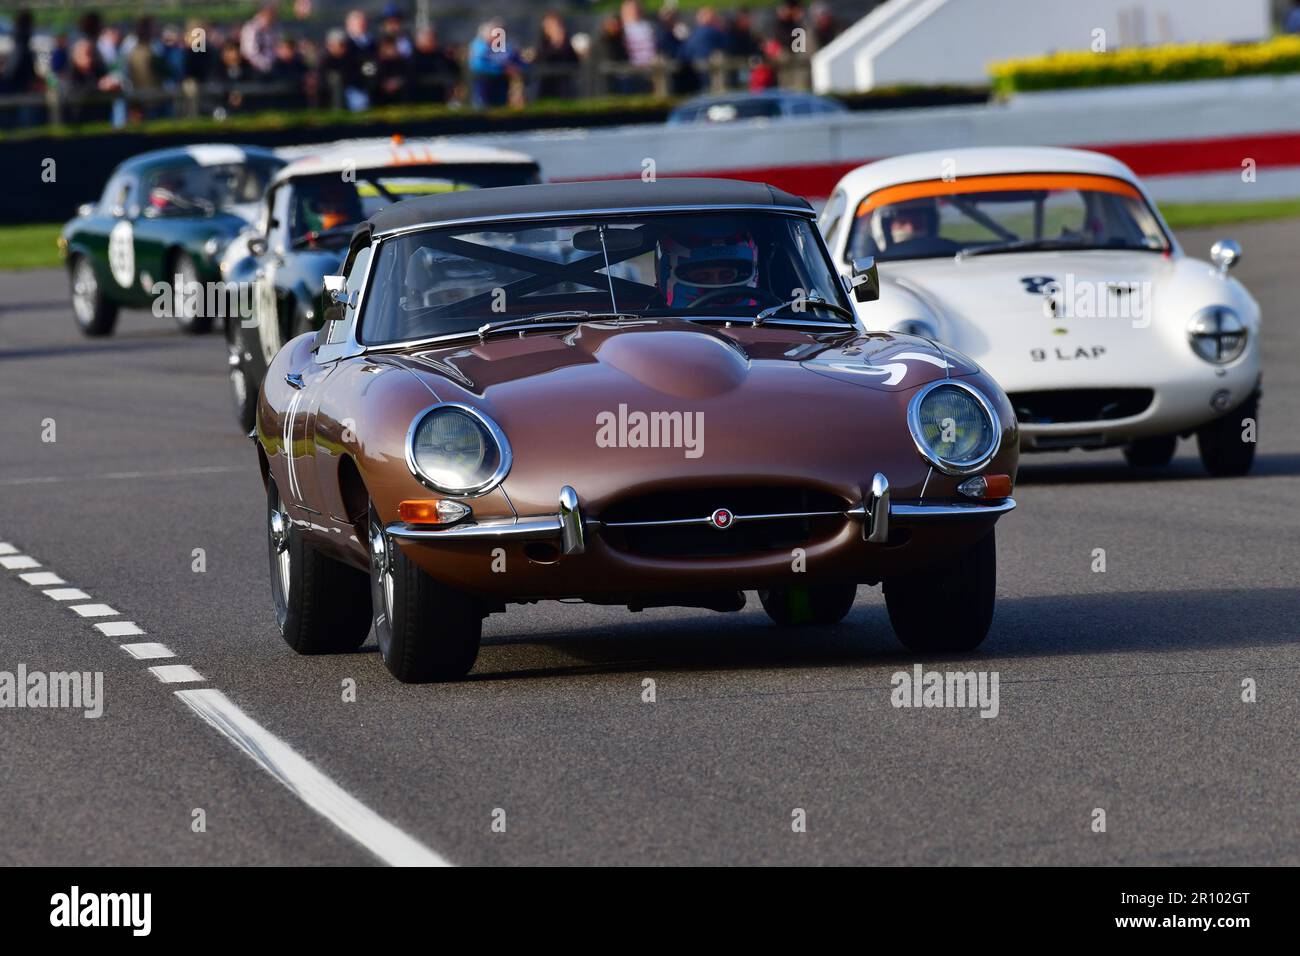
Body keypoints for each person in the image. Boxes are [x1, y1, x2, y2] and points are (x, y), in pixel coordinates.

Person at [657, 225, 760, 308]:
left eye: (726, 275)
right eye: (702, 276)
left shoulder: (766, 313)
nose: (716, 283)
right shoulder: (652, 318)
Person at [408, 24, 458, 104]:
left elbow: (453, 73)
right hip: (417, 100)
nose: (430, 41)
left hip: (439, 99)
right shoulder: (412, 57)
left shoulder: (441, 56)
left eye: (432, 38)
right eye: (427, 38)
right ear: (418, 40)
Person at [534, 11, 579, 100]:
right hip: (546, 84)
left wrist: (561, 42)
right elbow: (542, 59)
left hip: (564, 85)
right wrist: (555, 44)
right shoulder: (542, 43)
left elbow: (574, 60)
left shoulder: (566, 43)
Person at [240, 4, 279, 75]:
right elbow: (249, 52)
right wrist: (264, 64)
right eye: (271, 15)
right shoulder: (251, 28)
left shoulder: (272, 28)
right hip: (254, 67)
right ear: (263, 14)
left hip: (271, 66)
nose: (274, 18)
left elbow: (274, 48)